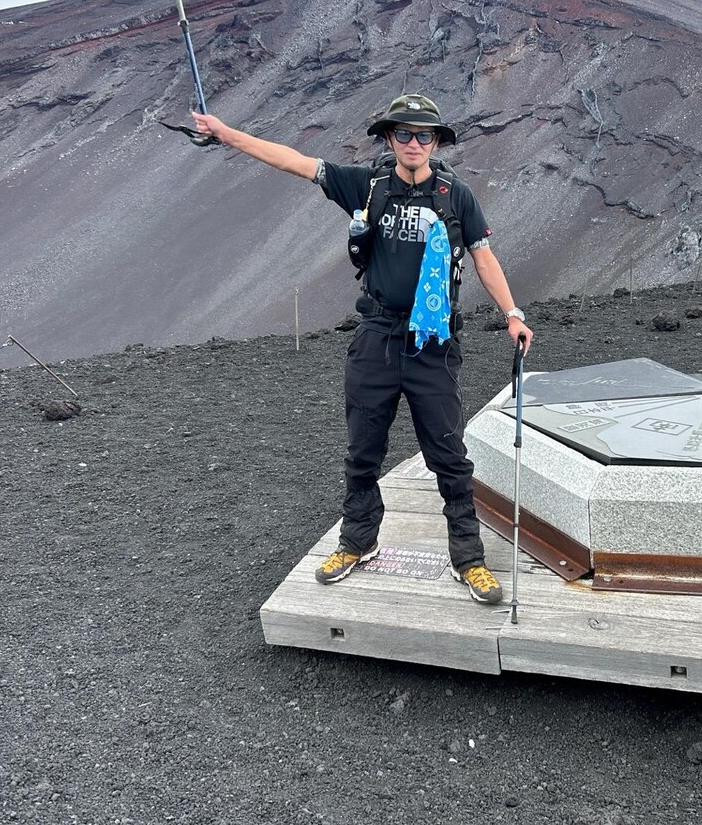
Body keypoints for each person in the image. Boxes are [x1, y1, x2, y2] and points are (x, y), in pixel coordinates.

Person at [190, 95, 534, 605]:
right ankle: (357, 541)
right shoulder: (367, 186)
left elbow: (483, 256)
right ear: (389, 138)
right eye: (403, 134)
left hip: (432, 344)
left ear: (437, 142)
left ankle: (468, 558)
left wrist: (512, 314)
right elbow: (293, 161)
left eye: (424, 135)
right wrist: (225, 133)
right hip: (375, 336)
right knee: (362, 450)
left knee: (448, 455)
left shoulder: (455, 195)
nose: (414, 143)